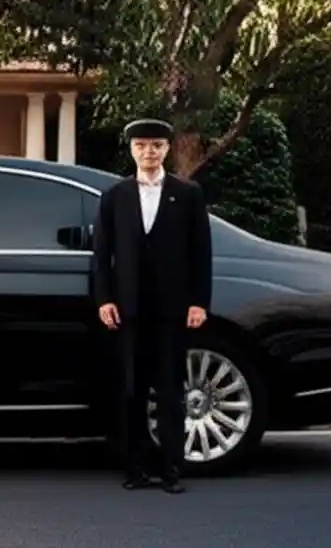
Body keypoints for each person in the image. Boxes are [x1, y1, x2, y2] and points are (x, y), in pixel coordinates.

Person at [91, 118, 212, 494]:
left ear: (167, 149)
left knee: (171, 392)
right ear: (131, 149)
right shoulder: (114, 196)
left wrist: (198, 302)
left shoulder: (188, 193)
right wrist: (104, 299)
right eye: (141, 145)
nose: (149, 152)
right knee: (132, 391)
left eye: (156, 145)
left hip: (172, 309)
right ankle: (136, 468)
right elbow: (101, 255)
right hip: (128, 310)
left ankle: (172, 470)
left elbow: (201, 252)